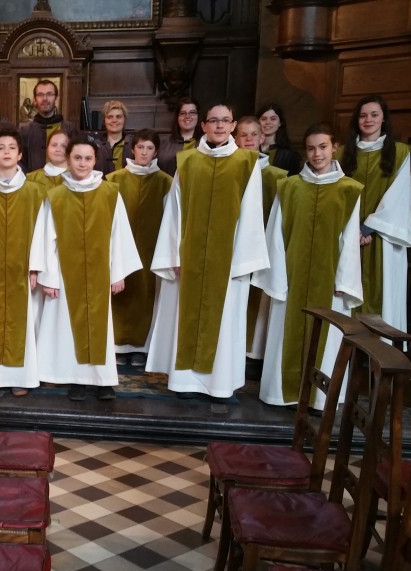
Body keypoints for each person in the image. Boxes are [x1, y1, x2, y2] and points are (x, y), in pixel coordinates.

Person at [144, 103, 269, 402]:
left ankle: (219, 385)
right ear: (204, 126)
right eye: (213, 120)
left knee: (223, 322)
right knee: (185, 318)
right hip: (189, 259)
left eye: (225, 121)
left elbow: (252, 214)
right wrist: (173, 256)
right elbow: (173, 212)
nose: (219, 126)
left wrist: (241, 262)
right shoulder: (187, 161)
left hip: (228, 261)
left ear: (233, 125)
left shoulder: (246, 163)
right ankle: (184, 382)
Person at [252, 123, 362, 406]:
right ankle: (280, 394)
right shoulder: (289, 188)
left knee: (327, 337)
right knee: (285, 334)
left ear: (334, 146)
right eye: (311, 148)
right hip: (291, 279)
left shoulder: (349, 190)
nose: (317, 154)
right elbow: (274, 235)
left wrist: (344, 281)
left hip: (329, 281)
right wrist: (276, 277)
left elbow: (350, 241)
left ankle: (319, 400)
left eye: (323, 147)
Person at [34, 140, 140, 401]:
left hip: (99, 271)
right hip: (64, 271)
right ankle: (77, 380)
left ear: (95, 161)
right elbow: (46, 237)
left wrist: (118, 273)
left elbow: (119, 235)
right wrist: (48, 277)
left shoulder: (109, 193)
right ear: (69, 160)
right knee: (69, 328)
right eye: (77, 158)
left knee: (100, 327)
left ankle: (103, 381)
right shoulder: (56, 196)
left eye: (88, 159)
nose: (82, 163)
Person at [0, 127, 47, 397]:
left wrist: (36, 265)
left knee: (21, 322)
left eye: (11, 148)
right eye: (0, 148)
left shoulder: (35, 192)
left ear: (20, 154)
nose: (6, 152)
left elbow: (43, 231)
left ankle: (21, 377)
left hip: (21, 269)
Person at [337, 94, 411, 332]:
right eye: (363, 115)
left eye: (374, 114)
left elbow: (399, 197)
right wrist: (353, 227)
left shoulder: (399, 153)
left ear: (383, 119)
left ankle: (378, 356)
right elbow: (337, 193)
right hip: (348, 234)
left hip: (381, 237)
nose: (368, 120)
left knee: (380, 293)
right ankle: (344, 352)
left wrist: (368, 227)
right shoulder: (341, 155)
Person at [105, 129, 173, 367]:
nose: (144, 152)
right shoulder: (114, 180)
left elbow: (172, 217)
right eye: (140, 147)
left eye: (149, 148)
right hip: (121, 244)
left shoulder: (166, 182)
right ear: (132, 149)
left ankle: (140, 348)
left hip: (151, 245)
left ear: (156, 152)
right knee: (121, 290)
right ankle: (117, 345)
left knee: (146, 292)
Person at [234, 116, 289, 374]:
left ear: (262, 138)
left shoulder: (279, 177)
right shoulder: (229, 169)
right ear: (235, 139)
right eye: (243, 135)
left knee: (260, 301)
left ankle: (254, 353)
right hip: (234, 249)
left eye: (253, 134)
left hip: (265, 249)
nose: (248, 139)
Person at [18, 79, 77, 172]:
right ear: (34, 100)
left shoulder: (70, 129)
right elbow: (20, 161)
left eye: (49, 94)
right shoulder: (24, 131)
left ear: (56, 99)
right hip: (33, 183)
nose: (45, 98)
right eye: (40, 94)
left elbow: (76, 158)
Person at [158, 97, 201, 176]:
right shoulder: (163, 143)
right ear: (177, 117)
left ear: (198, 116)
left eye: (192, 112)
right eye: (182, 113)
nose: (187, 116)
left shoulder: (206, 143)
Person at [257, 102, 302, 175]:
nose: (268, 122)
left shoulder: (289, 155)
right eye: (264, 119)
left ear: (280, 123)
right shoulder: (250, 148)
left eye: (273, 119)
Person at [94, 100, 131, 175]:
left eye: (118, 117)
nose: (114, 120)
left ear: (124, 120)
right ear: (104, 121)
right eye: (110, 117)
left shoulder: (133, 145)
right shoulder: (95, 145)